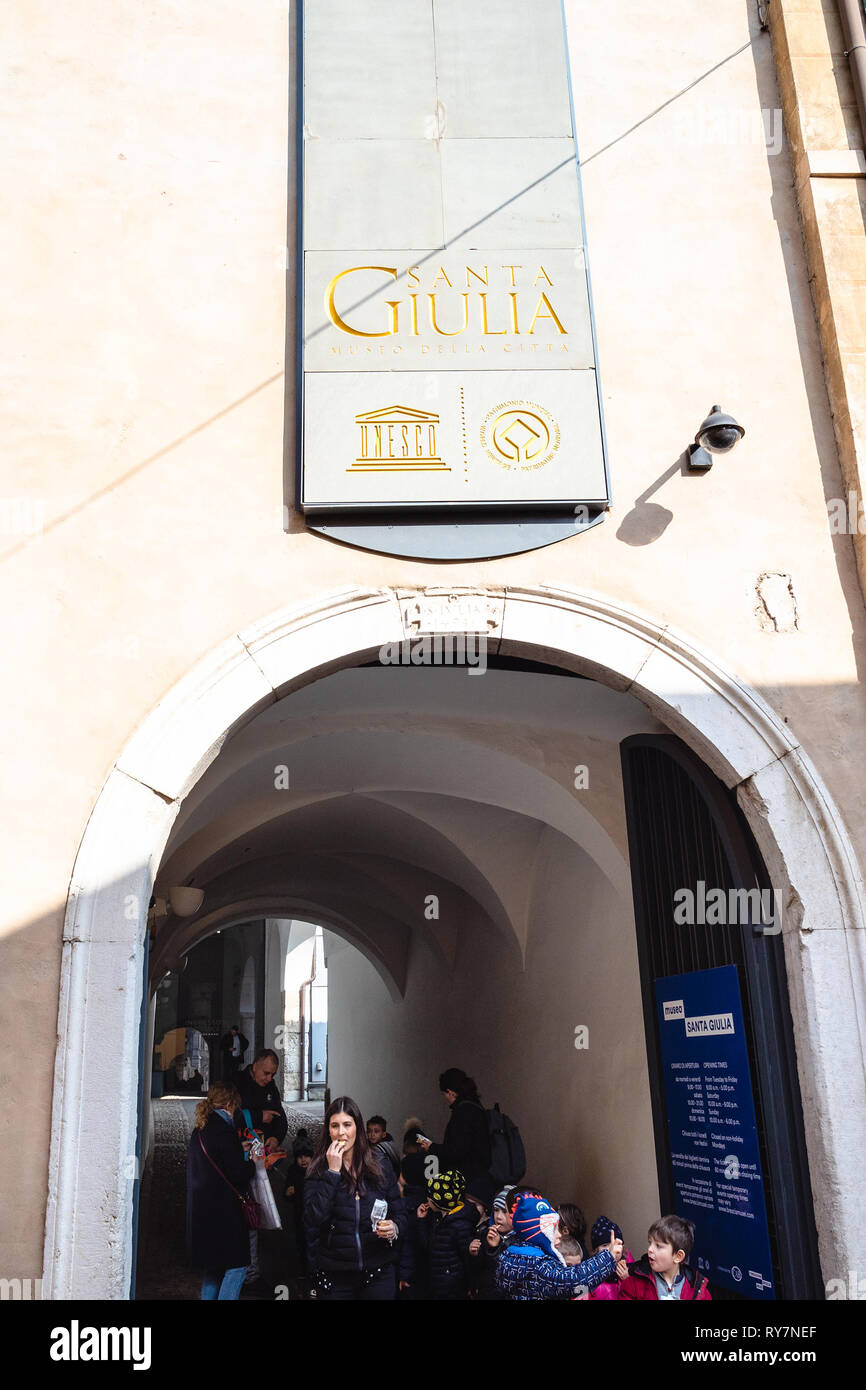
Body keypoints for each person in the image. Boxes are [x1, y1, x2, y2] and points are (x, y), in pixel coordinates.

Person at [304, 1095, 406, 1300]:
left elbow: (400, 1211)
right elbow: (311, 1219)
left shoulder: (379, 1164)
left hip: (378, 1270)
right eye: (335, 1126)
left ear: (357, 1127)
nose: (341, 1132)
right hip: (335, 1274)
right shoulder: (317, 1169)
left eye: (347, 1125)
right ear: (328, 1130)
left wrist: (394, 1228)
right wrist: (332, 1172)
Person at [186, 1081, 263, 1300]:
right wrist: (253, 1161)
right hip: (224, 1213)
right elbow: (238, 1173)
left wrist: (237, 1149)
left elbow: (215, 1159)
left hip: (202, 1213)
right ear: (230, 1104)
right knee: (238, 1266)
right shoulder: (225, 1132)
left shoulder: (200, 1129)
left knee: (213, 1270)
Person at [494, 1192, 621, 1300]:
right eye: (554, 1229)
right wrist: (608, 1257)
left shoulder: (511, 1255)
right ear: (539, 1232)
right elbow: (573, 1280)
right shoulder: (537, 1265)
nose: (559, 1235)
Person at [417, 1067, 492, 1204]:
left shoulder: (463, 1112)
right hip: (480, 1181)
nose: (445, 1099)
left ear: (451, 1092)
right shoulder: (477, 1108)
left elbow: (457, 1150)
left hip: (466, 1183)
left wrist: (432, 1147)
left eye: (444, 1094)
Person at [415, 1169, 477, 1300]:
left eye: (430, 1196)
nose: (427, 1199)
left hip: (453, 1287)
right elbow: (427, 1245)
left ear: (439, 1201)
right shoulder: (439, 1218)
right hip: (439, 1283)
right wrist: (421, 1220)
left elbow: (467, 1259)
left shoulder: (460, 1225)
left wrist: (471, 1286)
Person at [617, 1215, 711, 1300]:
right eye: (650, 1243)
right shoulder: (635, 1282)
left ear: (678, 1256)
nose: (650, 1249)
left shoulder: (696, 1290)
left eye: (658, 1246)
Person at [469, 1184, 516, 1299]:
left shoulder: (521, 1241)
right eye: (496, 1210)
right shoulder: (486, 1233)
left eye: (505, 1212)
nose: (499, 1217)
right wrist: (475, 1254)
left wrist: (496, 1248)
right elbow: (480, 1269)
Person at [236, 1049, 288, 1146]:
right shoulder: (237, 1082)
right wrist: (259, 1116)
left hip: (265, 1150)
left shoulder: (271, 1086)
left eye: (273, 1075)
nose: (269, 1079)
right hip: (241, 1148)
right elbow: (229, 1117)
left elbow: (280, 1118)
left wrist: (276, 1138)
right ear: (255, 1067)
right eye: (266, 1073)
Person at [587, 1214, 633, 1299]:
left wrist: (628, 1280)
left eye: (614, 1244)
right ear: (596, 1250)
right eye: (604, 1245)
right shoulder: (592, 1273)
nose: (610, 1249)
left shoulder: (629, 1264)